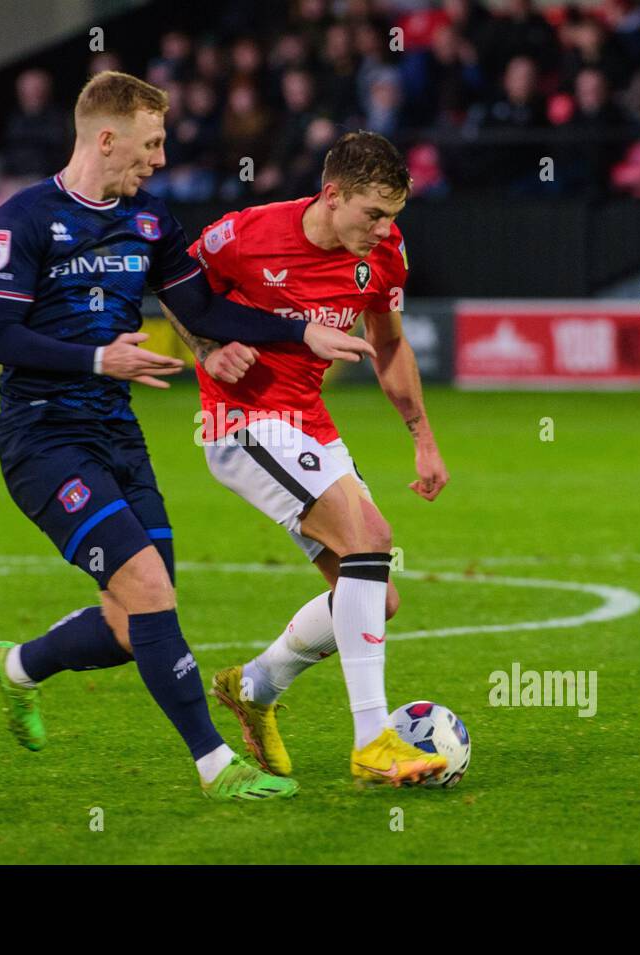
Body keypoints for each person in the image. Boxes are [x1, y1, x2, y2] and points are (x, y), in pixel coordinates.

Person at [0, 71, 372, 801]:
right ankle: (217, 766)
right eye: (150, 144)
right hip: (42, 437)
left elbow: (207, 309)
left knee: (133, 623)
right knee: (151, 590)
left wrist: (299, 330)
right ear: (106, 138)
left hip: (116, 433)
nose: (159, 160)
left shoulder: (151, 221)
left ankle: (18, 667)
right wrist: (102, 357)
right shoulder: (21, 220)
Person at [161, 131, 452, 786]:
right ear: (331, 195)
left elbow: (390, 344)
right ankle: (373, 740)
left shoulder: (385, 255)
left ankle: (254, 686)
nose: (383, 230)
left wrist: (422, 436)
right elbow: (177, 291)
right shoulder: (246, 234)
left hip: (308, 425)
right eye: (373, 214)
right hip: (241, 423)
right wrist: (206, 349)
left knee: (377, 597)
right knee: (371, 536)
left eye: (393, 217)